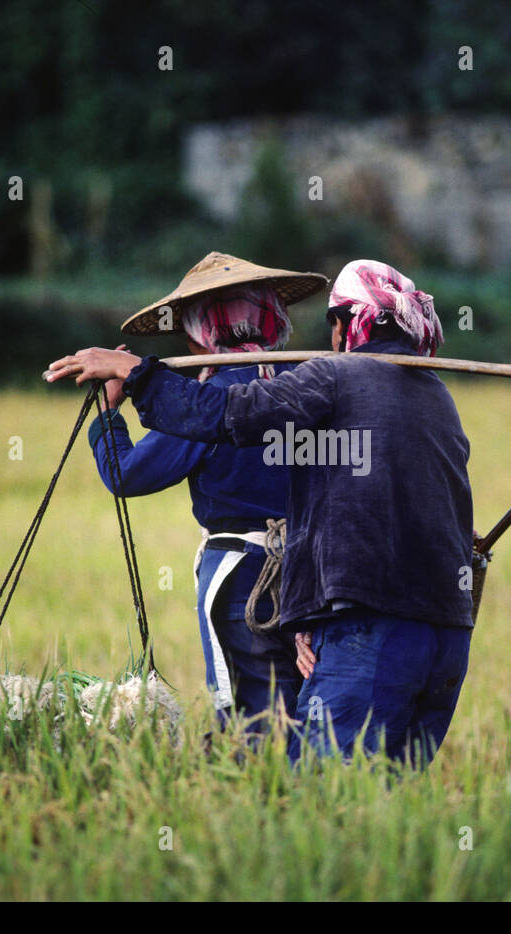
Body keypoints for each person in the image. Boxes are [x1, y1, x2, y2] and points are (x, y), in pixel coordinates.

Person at [47, 260, 474, 767]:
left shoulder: (305, 383)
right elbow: (364, 501)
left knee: (274, 743)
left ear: (203, 331)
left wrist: (129, 389)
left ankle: (244, 802)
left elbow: (144, 465)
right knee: (365, 768)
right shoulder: (426, 394)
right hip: (382, 607)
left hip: (278, 590)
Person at [68, 251, 328, 738]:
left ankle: (240, 796)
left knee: (246, 717)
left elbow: (127, 475)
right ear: (271, 321)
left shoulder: (206, 404)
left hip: (243, 578)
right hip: (315, 576)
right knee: (299, 710)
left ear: (199, 332)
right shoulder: (310, 389)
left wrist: (108, 416)